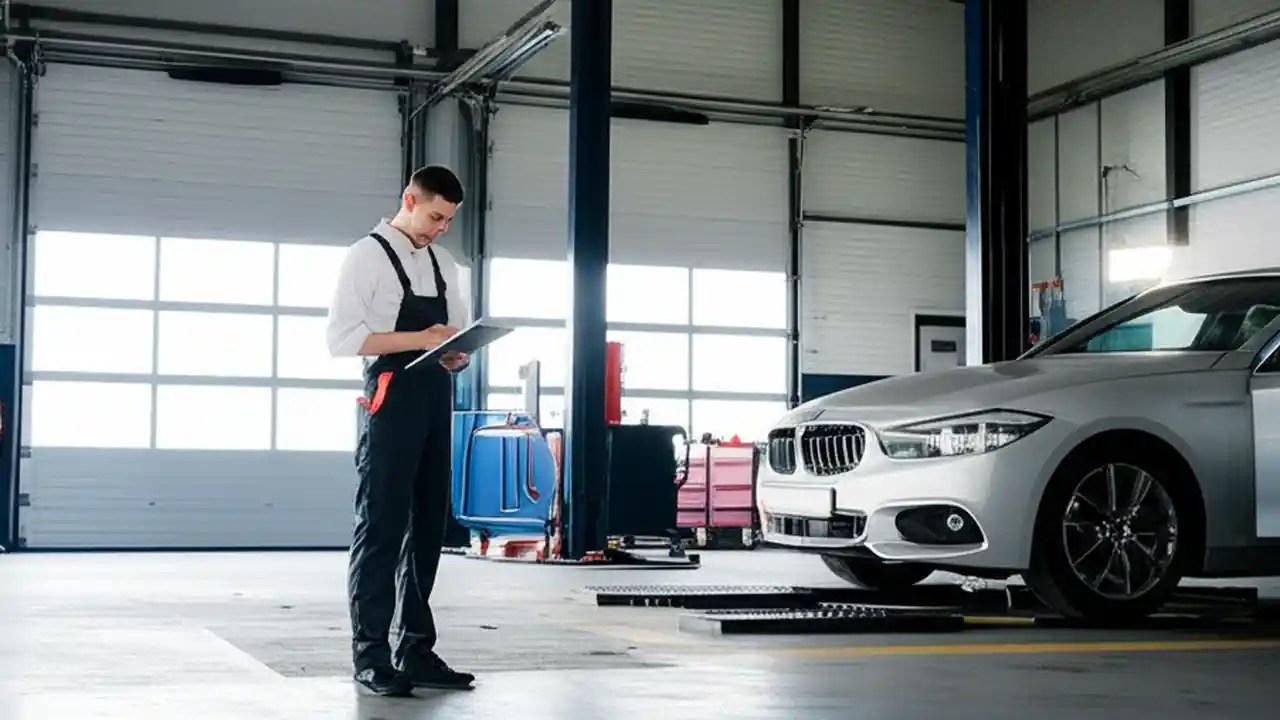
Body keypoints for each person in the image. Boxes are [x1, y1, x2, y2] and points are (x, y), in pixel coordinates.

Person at [326, 165, 475, 696]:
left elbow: (448, 335)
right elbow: (344, 340)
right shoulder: (364, 256)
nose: (440, 228)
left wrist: (454, 353)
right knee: (382, 525)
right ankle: (369, 655)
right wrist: (422, 337)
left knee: (428, 526)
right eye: (435, 216)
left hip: (436, 394)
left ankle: (414, 648)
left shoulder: (445, 263)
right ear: (409, 199)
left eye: (448, 221)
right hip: (390, 395)